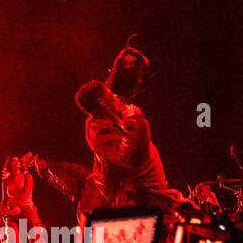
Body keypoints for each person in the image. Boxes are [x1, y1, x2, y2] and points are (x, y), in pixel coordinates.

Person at [73, 79, 185, 218]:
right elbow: (130, 156)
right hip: (140, 201)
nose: (115, 96)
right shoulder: (100, 132)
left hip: (150, 196)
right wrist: (133, 117)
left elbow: (119, 83)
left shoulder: (108, 120)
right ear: (102, 102)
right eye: (111, 94)